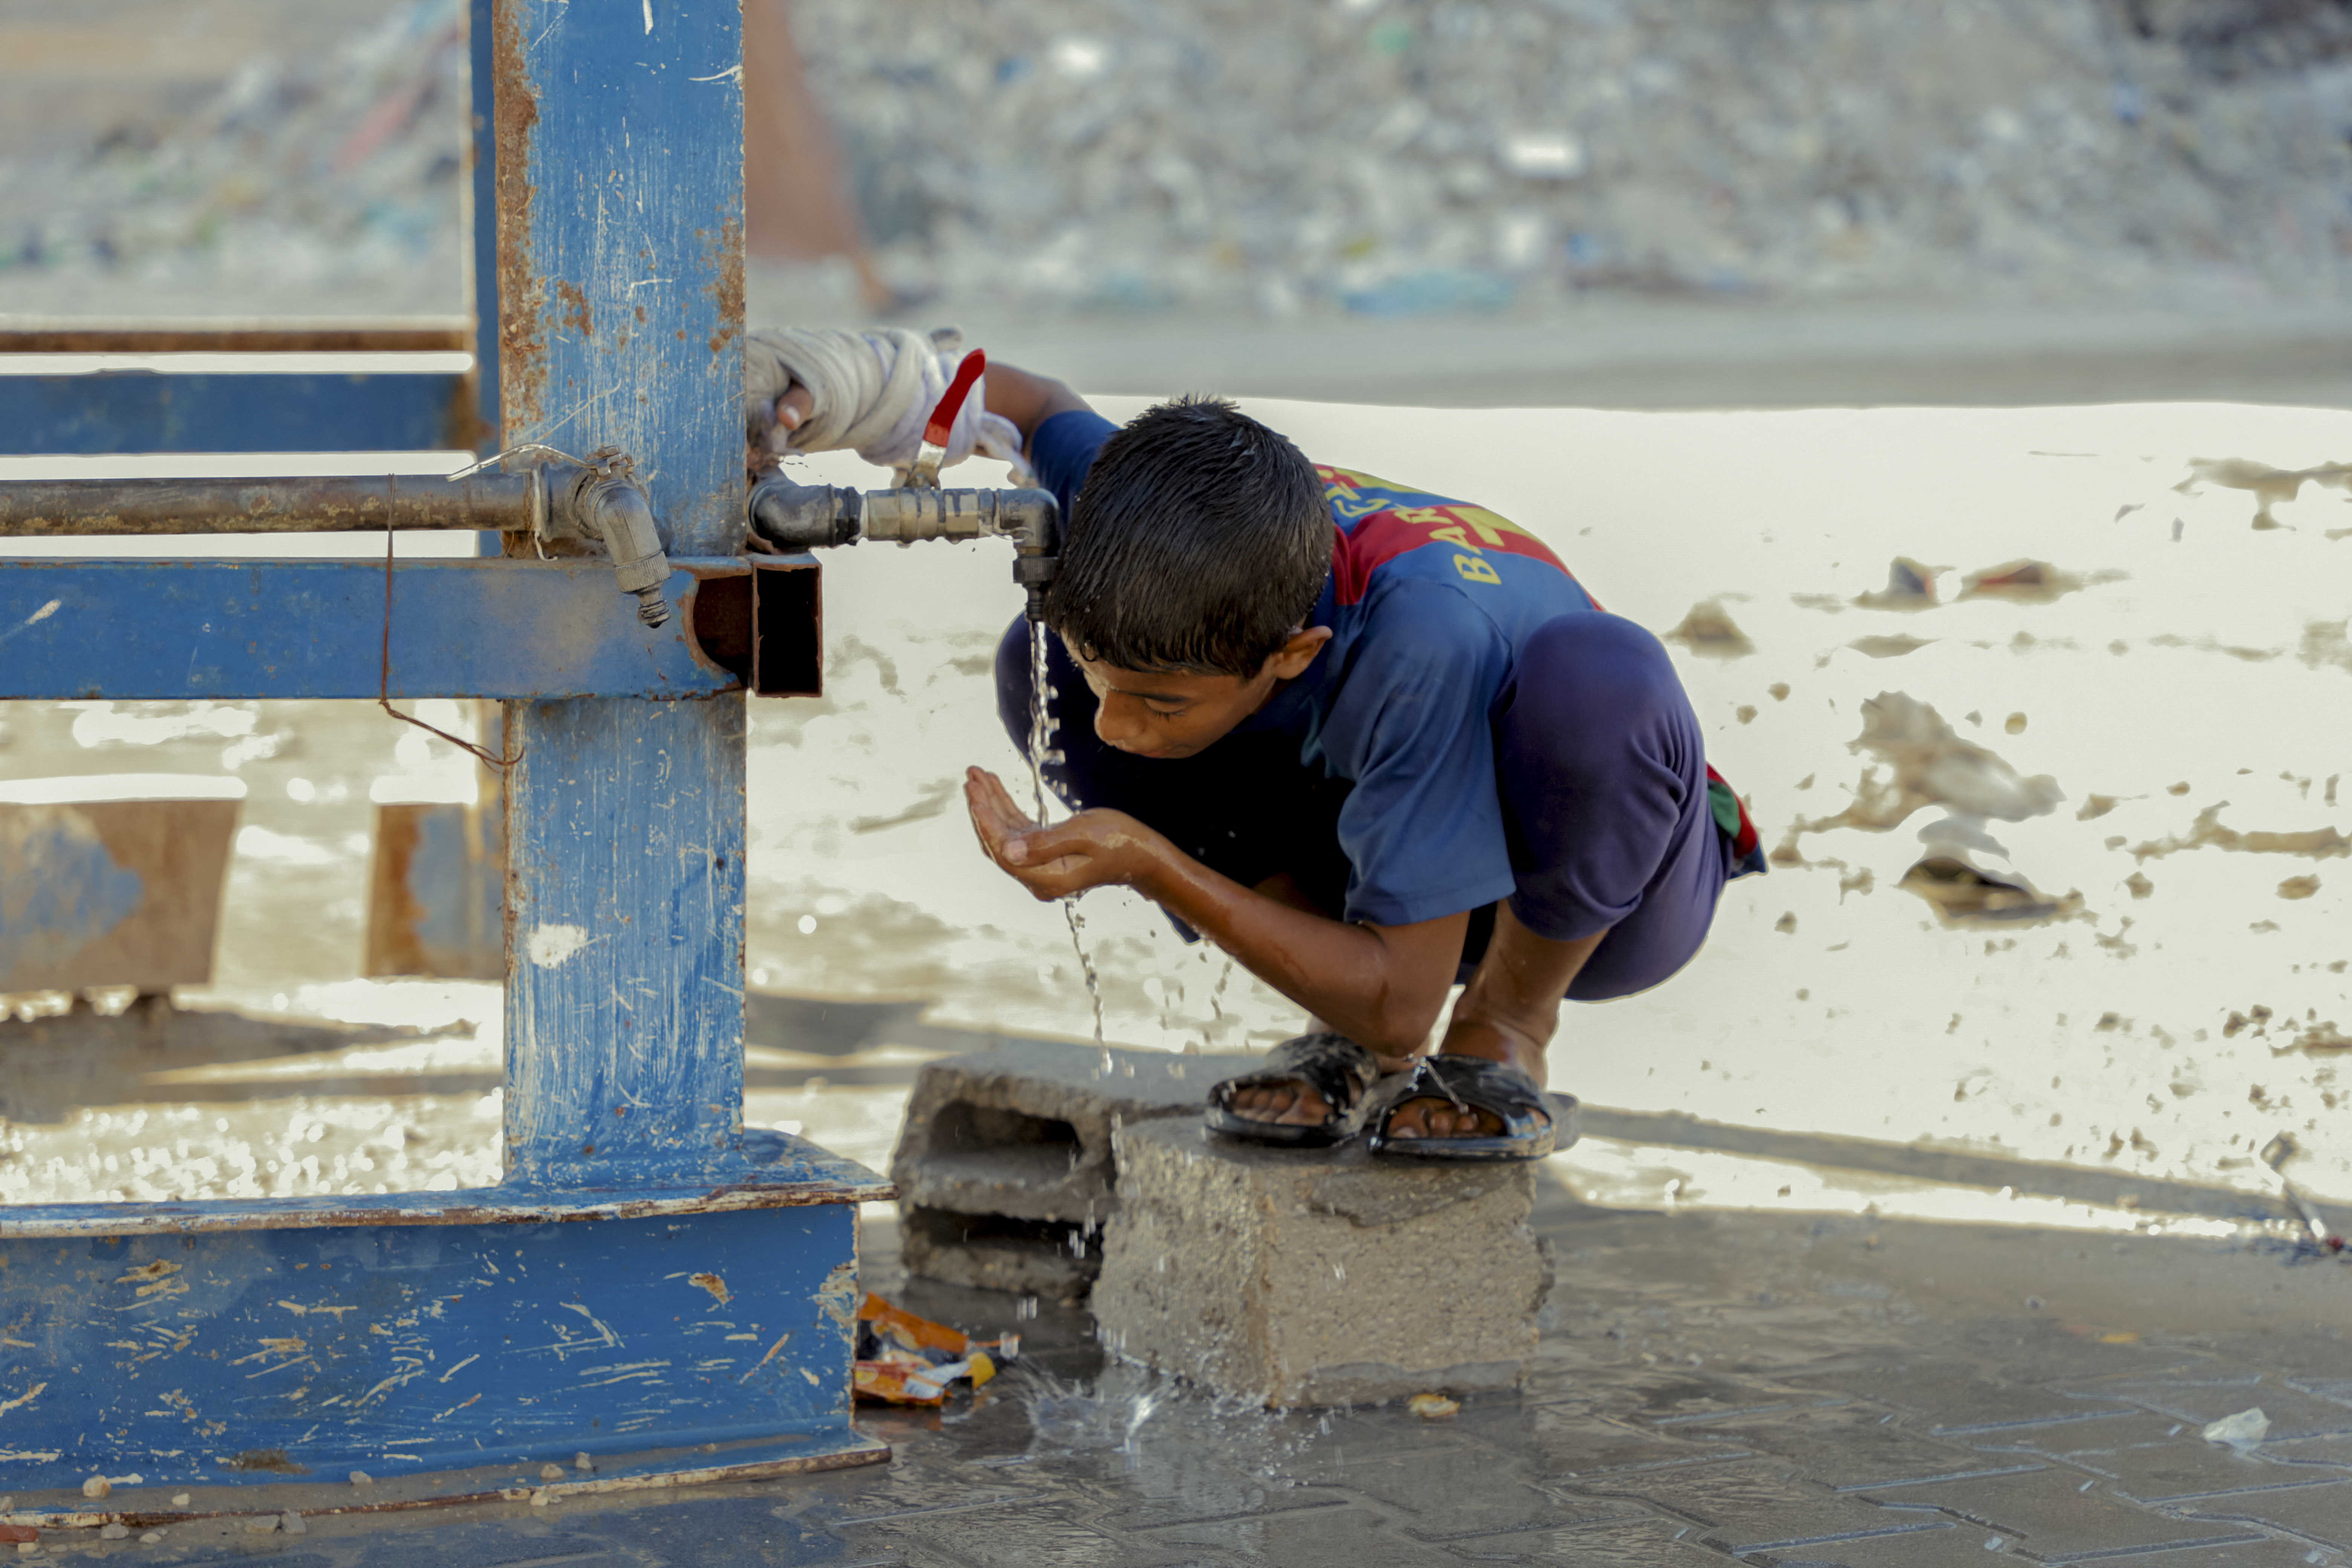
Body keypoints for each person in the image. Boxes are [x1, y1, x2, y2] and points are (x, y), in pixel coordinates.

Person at [759, 348, 1762, 1160]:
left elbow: (1401, 1007)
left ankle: (1508, 1027)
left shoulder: (1424, 642)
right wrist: (832, 383)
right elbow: (1022, 401)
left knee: (1601, 679)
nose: (1118, 732)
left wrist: (1155, 860)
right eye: (1114, 685)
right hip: (1376, 833)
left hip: (1594, 888)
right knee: (1039, 669)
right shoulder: (1135, 499)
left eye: (1159, 703)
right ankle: (1332, 1022)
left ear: (1295, 652)